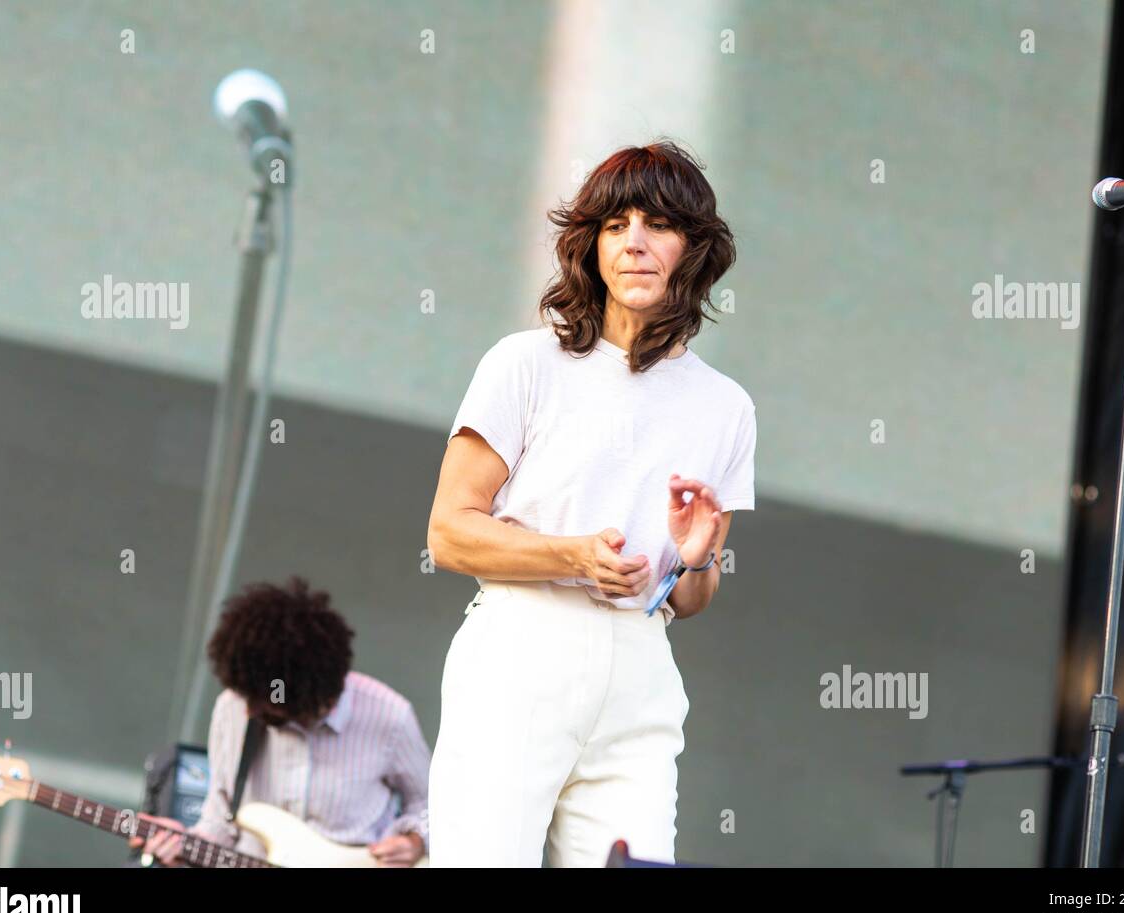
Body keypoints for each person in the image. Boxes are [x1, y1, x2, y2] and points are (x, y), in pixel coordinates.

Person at [425, 139, 757, 867]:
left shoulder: (726, 408)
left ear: (693, 249)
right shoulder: (525, 364)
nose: (634, 243)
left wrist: (697, 561)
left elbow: (692, 597)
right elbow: (449, 533)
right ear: (591, 246)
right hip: (522, 647)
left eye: (658, 224)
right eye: (615, 225)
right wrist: (572, 555)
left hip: (641, 668)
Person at [132, 576, 429, 867]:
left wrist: (415, 841)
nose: (249, 711)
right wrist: (183, 848)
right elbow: (220, 817)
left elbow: (434, 806)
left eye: (263, 704)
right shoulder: (233, 707)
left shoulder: (390, 715)